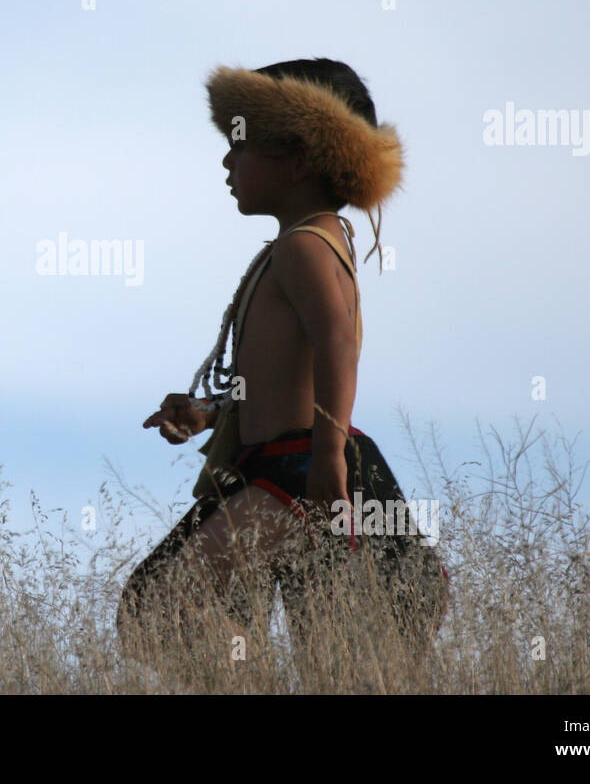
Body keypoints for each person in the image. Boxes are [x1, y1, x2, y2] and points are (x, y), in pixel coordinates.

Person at [117, 58, 449, 673]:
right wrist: (211, 413)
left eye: (239, 147)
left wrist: (326, 460)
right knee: (327, 655)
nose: (226, 163)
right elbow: (286, 375)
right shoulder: (309, 240)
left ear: (298, 161)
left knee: (157, 607)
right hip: (287, 464)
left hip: (302, 473)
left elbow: (336, 344)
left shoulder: (304, 245)